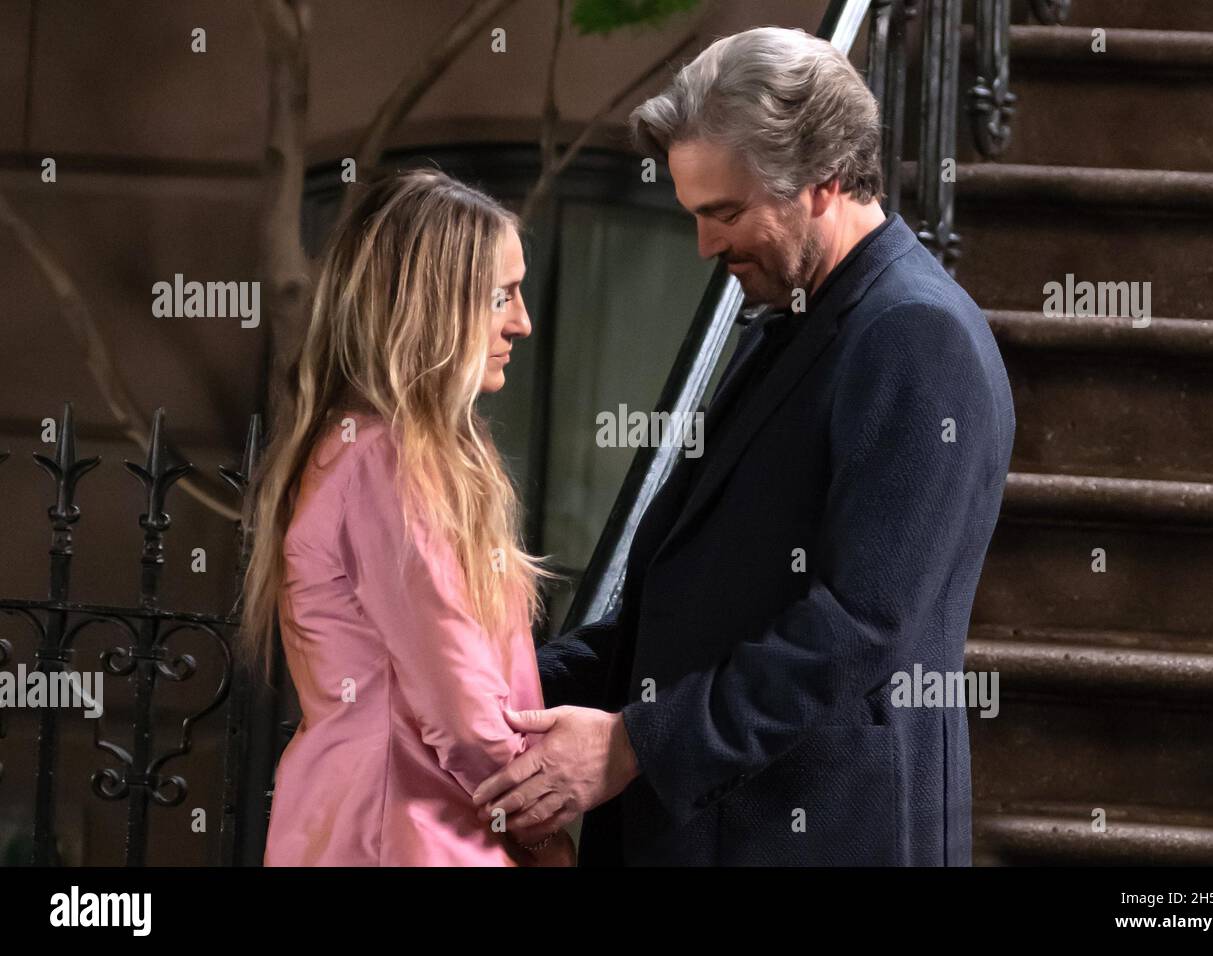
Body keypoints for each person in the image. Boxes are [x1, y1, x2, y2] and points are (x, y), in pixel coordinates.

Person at [471, 26, 1016, 865]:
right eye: (694, 214)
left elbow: (861, 624)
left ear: (825, 177)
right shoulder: (802, 314)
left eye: (725, 213)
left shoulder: (913, 334)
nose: (705, 245)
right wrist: (503, 691)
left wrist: (632, 745)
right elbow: (693, 606)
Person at [240, 168, 574, 866]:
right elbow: (461, 705)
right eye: (499, 296)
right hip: (404, 839)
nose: (522, 321)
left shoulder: (381, 452)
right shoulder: (382, 460)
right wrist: (544, 830)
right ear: (430, 305)